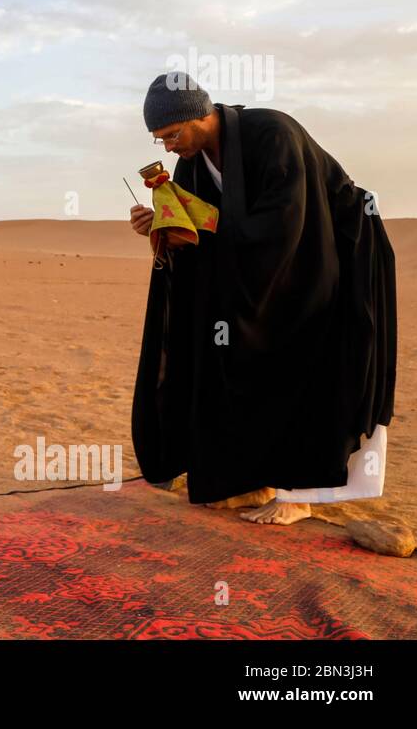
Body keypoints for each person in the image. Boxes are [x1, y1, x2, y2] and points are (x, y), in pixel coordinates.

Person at [129, 72, 396, 525]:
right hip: (263, 271)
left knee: (306, 361)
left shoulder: (273, 133)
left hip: (330, 253)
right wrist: (162, 231)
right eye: (161, 141)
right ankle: (250, 479)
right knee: (229, 356)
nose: (169, 148)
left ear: (199, 114)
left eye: (172, 135)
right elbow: (203, 243)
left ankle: (300, 494)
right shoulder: (191, 166)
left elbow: (286, 224)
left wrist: (199, 231)